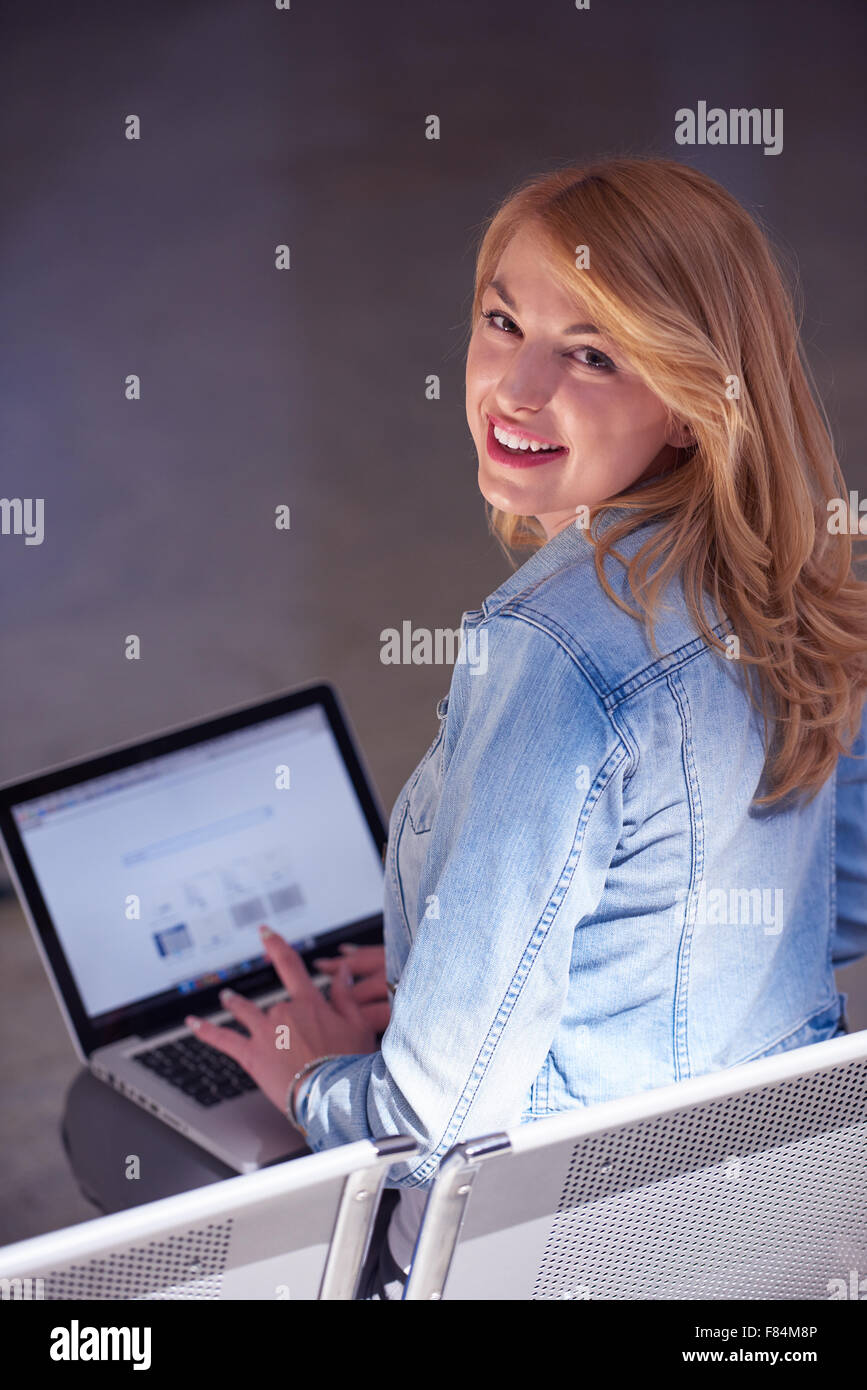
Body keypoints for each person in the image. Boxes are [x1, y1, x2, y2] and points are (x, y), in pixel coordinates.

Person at [186, 157, 867, 1299]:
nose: (517, 385)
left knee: (152, 1161)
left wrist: (311, 1069)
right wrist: (475, 958)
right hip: (778, 1243)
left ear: (696, 402)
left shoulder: (554, 651)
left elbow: (436, 1122)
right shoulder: (778, 585)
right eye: (504, 321)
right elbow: (831, 893)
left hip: (564, 1259)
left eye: (594, 354)